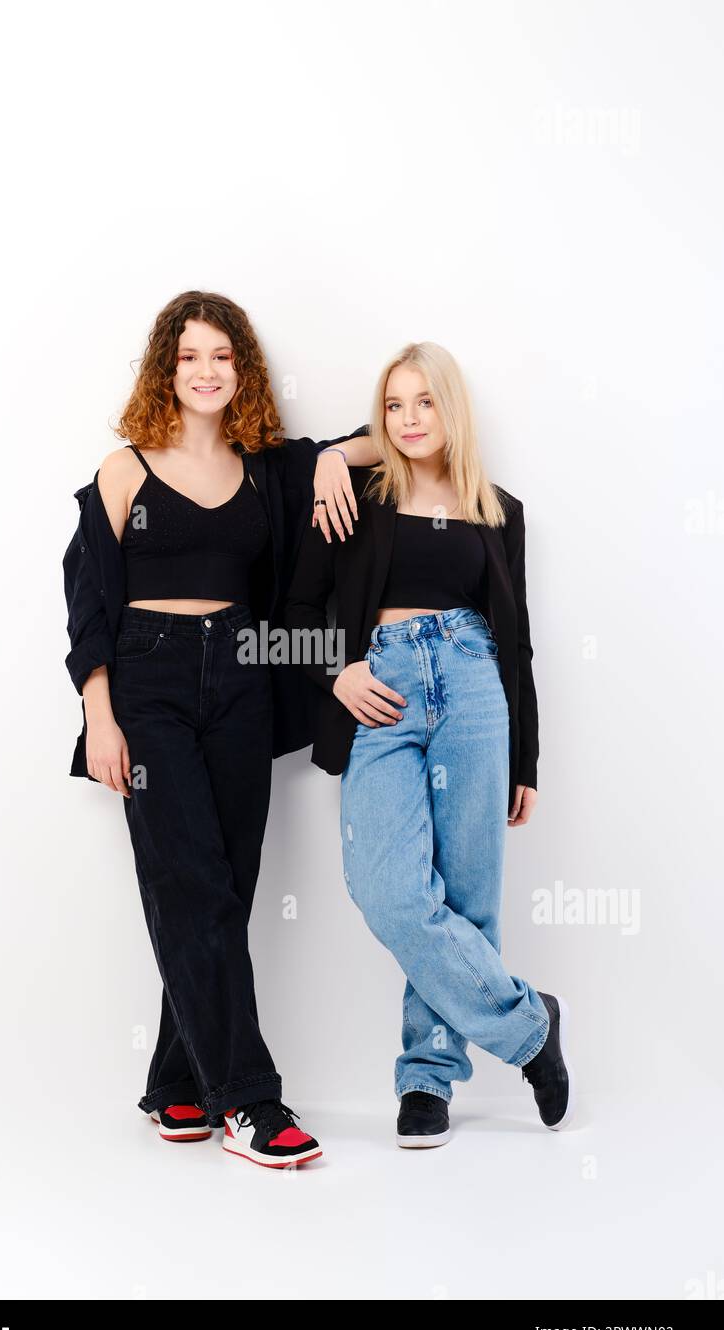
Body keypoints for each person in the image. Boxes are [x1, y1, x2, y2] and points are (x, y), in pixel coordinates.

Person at [62, 290, 376, 1169]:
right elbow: (87, 603)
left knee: (223, 891)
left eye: (222, 357)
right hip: (148, 680)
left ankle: (174, 1086)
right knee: (189, 883)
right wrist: (101, 717)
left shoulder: (266, 466)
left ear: (242, 371)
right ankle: (249, 1100)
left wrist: (329, 462)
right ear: (167, 368)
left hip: (241, 676)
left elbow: (375, 439)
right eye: (188, 356)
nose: (205, 372)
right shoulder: (125, 471)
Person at [285, 341, 575, 1148]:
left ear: (452, 411)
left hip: (476, 686)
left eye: (425, 403)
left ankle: (427, 1078)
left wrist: (528, 762)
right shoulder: (352, 500)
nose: (410, 420)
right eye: (394, 405)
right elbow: (293, 616)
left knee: (468, 893)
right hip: (381, 693)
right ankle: (530, 1026)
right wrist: (336, 677)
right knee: (390, 889)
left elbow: (516, 645)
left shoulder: (499, 511)